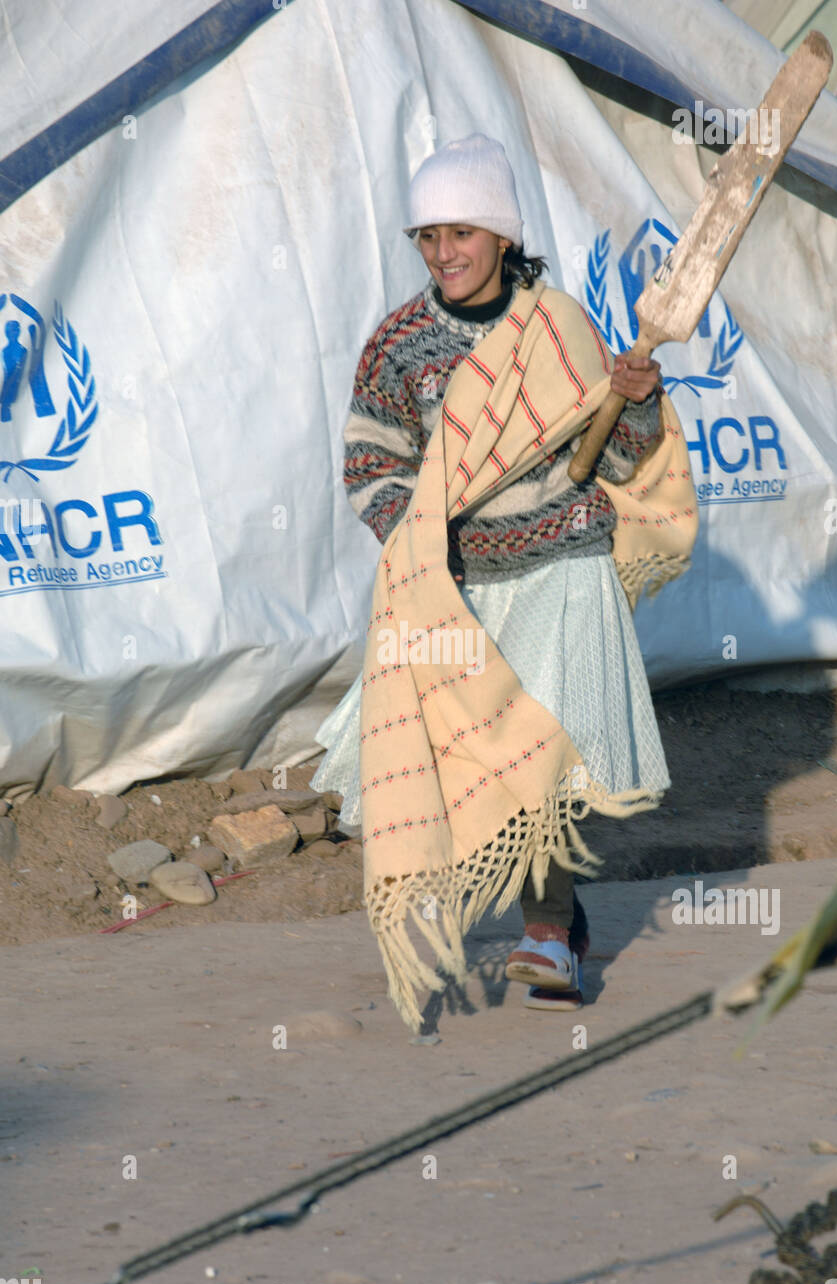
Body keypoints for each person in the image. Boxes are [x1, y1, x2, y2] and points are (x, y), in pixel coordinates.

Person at [311, 133, 697, 1029]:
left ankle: (550, 931)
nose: (442, 252)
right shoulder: (399, 347)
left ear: (499, 234)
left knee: (543, 762)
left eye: (460, 232)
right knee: (459, 755)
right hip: (455, 585)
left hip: (563, 565)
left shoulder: (557, 327)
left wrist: (633, 398)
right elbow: (372, 464)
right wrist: (415, 543)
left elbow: (626, 458)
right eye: (426, 236)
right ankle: (528, 914)